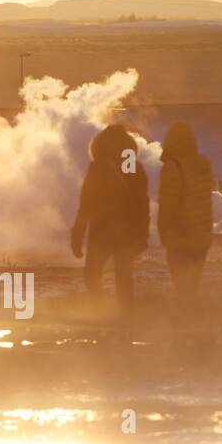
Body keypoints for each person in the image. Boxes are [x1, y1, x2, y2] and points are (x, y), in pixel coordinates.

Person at [70, 124, 149, 309]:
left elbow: (85, 205)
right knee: (124, 278)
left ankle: (100, 310)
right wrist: (142, 235)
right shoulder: (131, 166)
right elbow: (141, 206)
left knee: (92, 275)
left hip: (101, 232)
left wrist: (77, 236)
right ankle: (126, 316)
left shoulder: (98, 167)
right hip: (127, 233)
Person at [157, 121, 214, 323]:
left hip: (181, 236)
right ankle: (197, 327)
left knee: (182, 286)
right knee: (192, 285)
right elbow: (205, 199)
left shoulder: (173, 167)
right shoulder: (203, 164)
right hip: (202, 236)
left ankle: (188, 327)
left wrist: (163, 230)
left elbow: (168, 204)